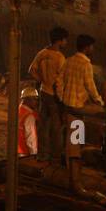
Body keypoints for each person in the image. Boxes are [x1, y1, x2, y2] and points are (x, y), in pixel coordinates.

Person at [59, 35, 103, 161]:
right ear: (87, 48)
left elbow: (59, 81)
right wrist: (100, 101)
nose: (93, 49)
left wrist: (63, 97)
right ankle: (74, 163)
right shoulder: (86, 64)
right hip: (78, 106)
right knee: (75, 138)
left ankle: (73, 156)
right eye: (92, 47)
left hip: (68, 104)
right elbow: (90, 86)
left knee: (73, 134)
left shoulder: (68, 60)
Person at [27, 27, 68, 162]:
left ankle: (42, 154)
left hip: (44, 92)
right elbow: (60, 81)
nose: (66, 42)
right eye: (65, 40)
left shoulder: (42, 53)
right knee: (57, 127)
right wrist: (61, 99)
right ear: (60, 40)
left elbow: (31, 70)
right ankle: (55, 156)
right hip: (54, 95)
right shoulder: (60, 58)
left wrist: (41, 80)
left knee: (43, 125)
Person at [18, 87, 39, 157]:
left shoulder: (18, 111)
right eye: (34, 99)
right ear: (27, 99)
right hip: (25, 153)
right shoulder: (29, 116)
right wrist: (34, 153)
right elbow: (30, 138)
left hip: (16, 150)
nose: (36, 102)